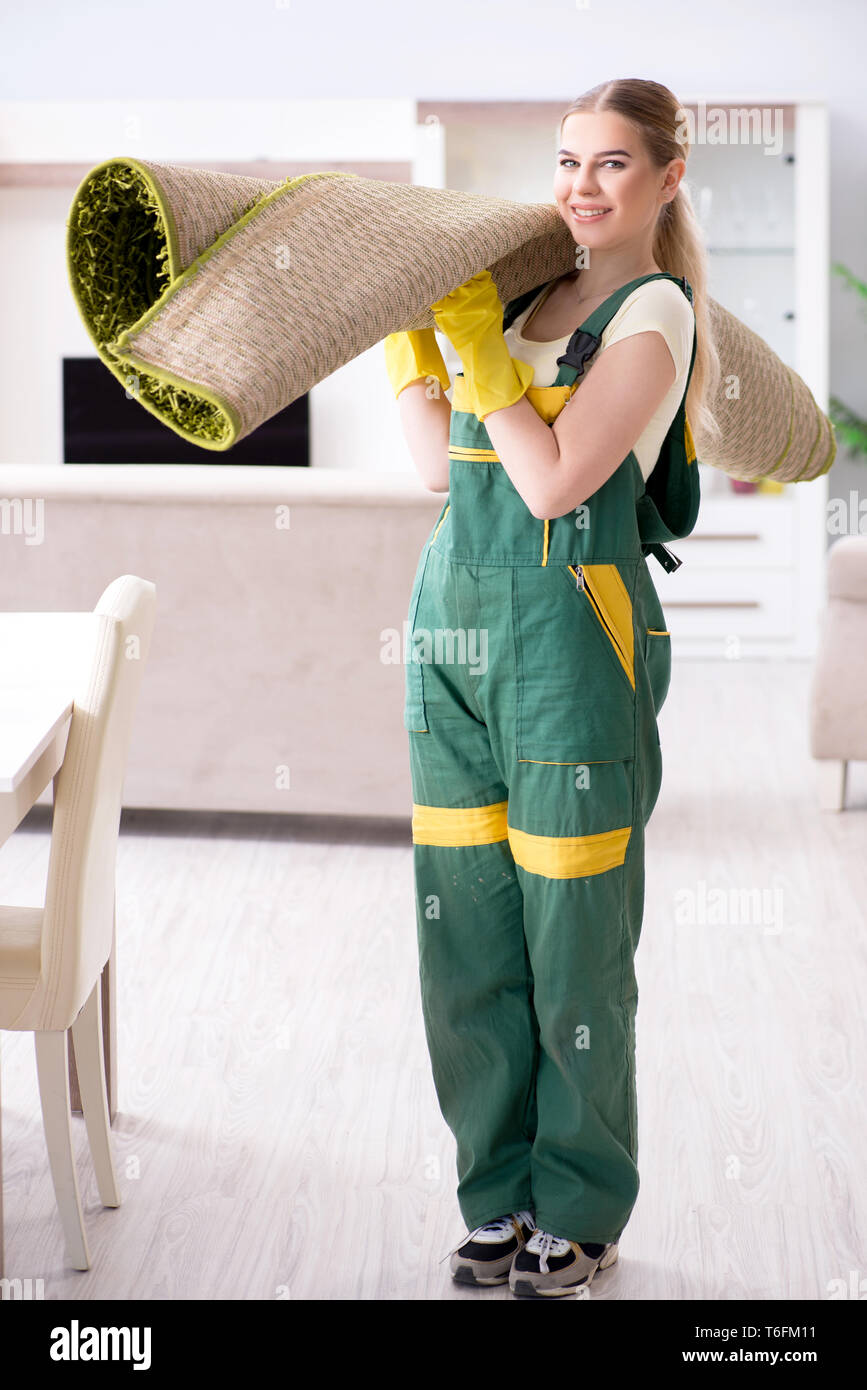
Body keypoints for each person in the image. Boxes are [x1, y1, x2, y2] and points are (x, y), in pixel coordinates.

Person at [383, 77, 721, 1299]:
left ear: (667, 179)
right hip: (452, 646)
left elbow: (555, 484)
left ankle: (579, 1207)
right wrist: (413, 350)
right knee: (465, 936)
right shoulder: (528, 293)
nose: (581, 185)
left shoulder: (655, 315)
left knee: (574, 946)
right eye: (567, 161)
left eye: (612, 164)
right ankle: (499, 1194)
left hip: (573, 650)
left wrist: (479, 349)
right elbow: (438, 469)